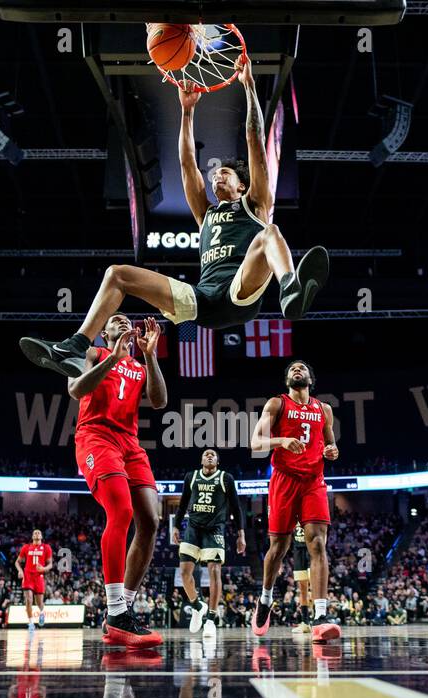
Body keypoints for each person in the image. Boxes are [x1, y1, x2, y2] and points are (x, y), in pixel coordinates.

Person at [20, 58, 328, 377]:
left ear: (242, 184)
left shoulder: (255, 204)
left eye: (225, 173)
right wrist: (187, 111)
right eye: (215, 175)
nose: (216, 176)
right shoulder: (205, 213)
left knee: (269, 233)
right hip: (203, 299)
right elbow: (186, 164)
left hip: (241, 290)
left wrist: (249, 86)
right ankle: (75, 346)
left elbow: (255, 143)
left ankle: (290, 289)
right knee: (116, 274)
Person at [68, 314, 167, 647]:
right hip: (96, 437)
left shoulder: (139, 368)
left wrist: (150, 356)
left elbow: (159, 401)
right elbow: (75, 388)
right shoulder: (93, 353)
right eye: (115, 320)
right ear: (105, 332)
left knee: (151, 521)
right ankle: (115, 612)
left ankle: (121, 609)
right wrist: (111, 357)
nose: (122, 321)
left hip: (130, 444)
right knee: (121, 512)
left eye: (127, 319)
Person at [249, 360, 341, 642]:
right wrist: (282, 441)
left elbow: (330, 443)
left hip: (313, 481)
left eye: (302, 368)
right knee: (279, 547)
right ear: (287, 379)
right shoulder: (277, 404)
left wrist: (332, 450)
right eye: (292, 369)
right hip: (284, 480)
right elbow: (255, 443)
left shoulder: (323, 409)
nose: (297, 370)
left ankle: (320, 615)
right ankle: (265, 599)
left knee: (317, 542)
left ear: (311, 378)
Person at [173, 448, 245, 639]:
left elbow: (237, 507)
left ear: (218, 461)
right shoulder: (191, 476)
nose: (210, 455)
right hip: (193, 528)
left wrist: (241, 534)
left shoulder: (226, 478)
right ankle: (197, 606)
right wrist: (175, 527)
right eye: (206, 454)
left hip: (215, 529)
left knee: (214, 571)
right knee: (184, 573)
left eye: (213, 454)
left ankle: (211, 620)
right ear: (201, 460)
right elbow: (182, 503)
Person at [17, 529, 54, 628]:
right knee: (28, 599)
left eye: (39, 533)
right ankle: (31, 623)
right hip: (28, 576)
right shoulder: (26, 547)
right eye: (35, 533)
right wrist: (20, 571)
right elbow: (17, 562)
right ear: (32, 537)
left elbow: (50, 565)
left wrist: (44, 568)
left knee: (39, 602)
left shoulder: (46, 547)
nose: (37, 534)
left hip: (39, 576)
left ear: (41, 536)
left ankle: (42, 612)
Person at [290, 523, 312, 634]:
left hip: (311, 546)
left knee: (314, 587)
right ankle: (305, 622)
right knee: (302, 588)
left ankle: (319, 620)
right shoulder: (293, 509)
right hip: (298, 549)